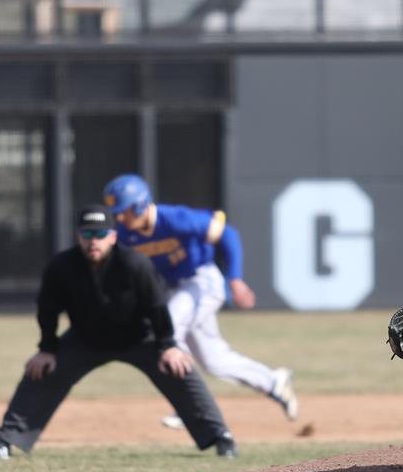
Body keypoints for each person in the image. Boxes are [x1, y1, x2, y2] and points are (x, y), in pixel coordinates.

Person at [0, 205, 238, 459]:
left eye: (100, 234)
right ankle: (3, 443)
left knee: (179, 368)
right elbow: (47, 310)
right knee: (40, 371)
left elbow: (156, 307)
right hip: (86, 339)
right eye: (87, 234)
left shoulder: (135, 263)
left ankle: (221, 437)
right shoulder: (62, 266)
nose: (93, 241)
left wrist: (168, 345)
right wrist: (47, 349)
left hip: (139, 337)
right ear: (78, 236)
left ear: (113, 236)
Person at [103, 174, 298, 430]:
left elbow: (227, 234)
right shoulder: (127, 234)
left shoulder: (175, 218)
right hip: (176, 290)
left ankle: (187, 403)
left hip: (203, 280)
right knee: (213, 359)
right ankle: (273, 381)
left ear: (140, 205)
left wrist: (235, 279)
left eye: (123, 211)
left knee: (168, 326)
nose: (119, 218)